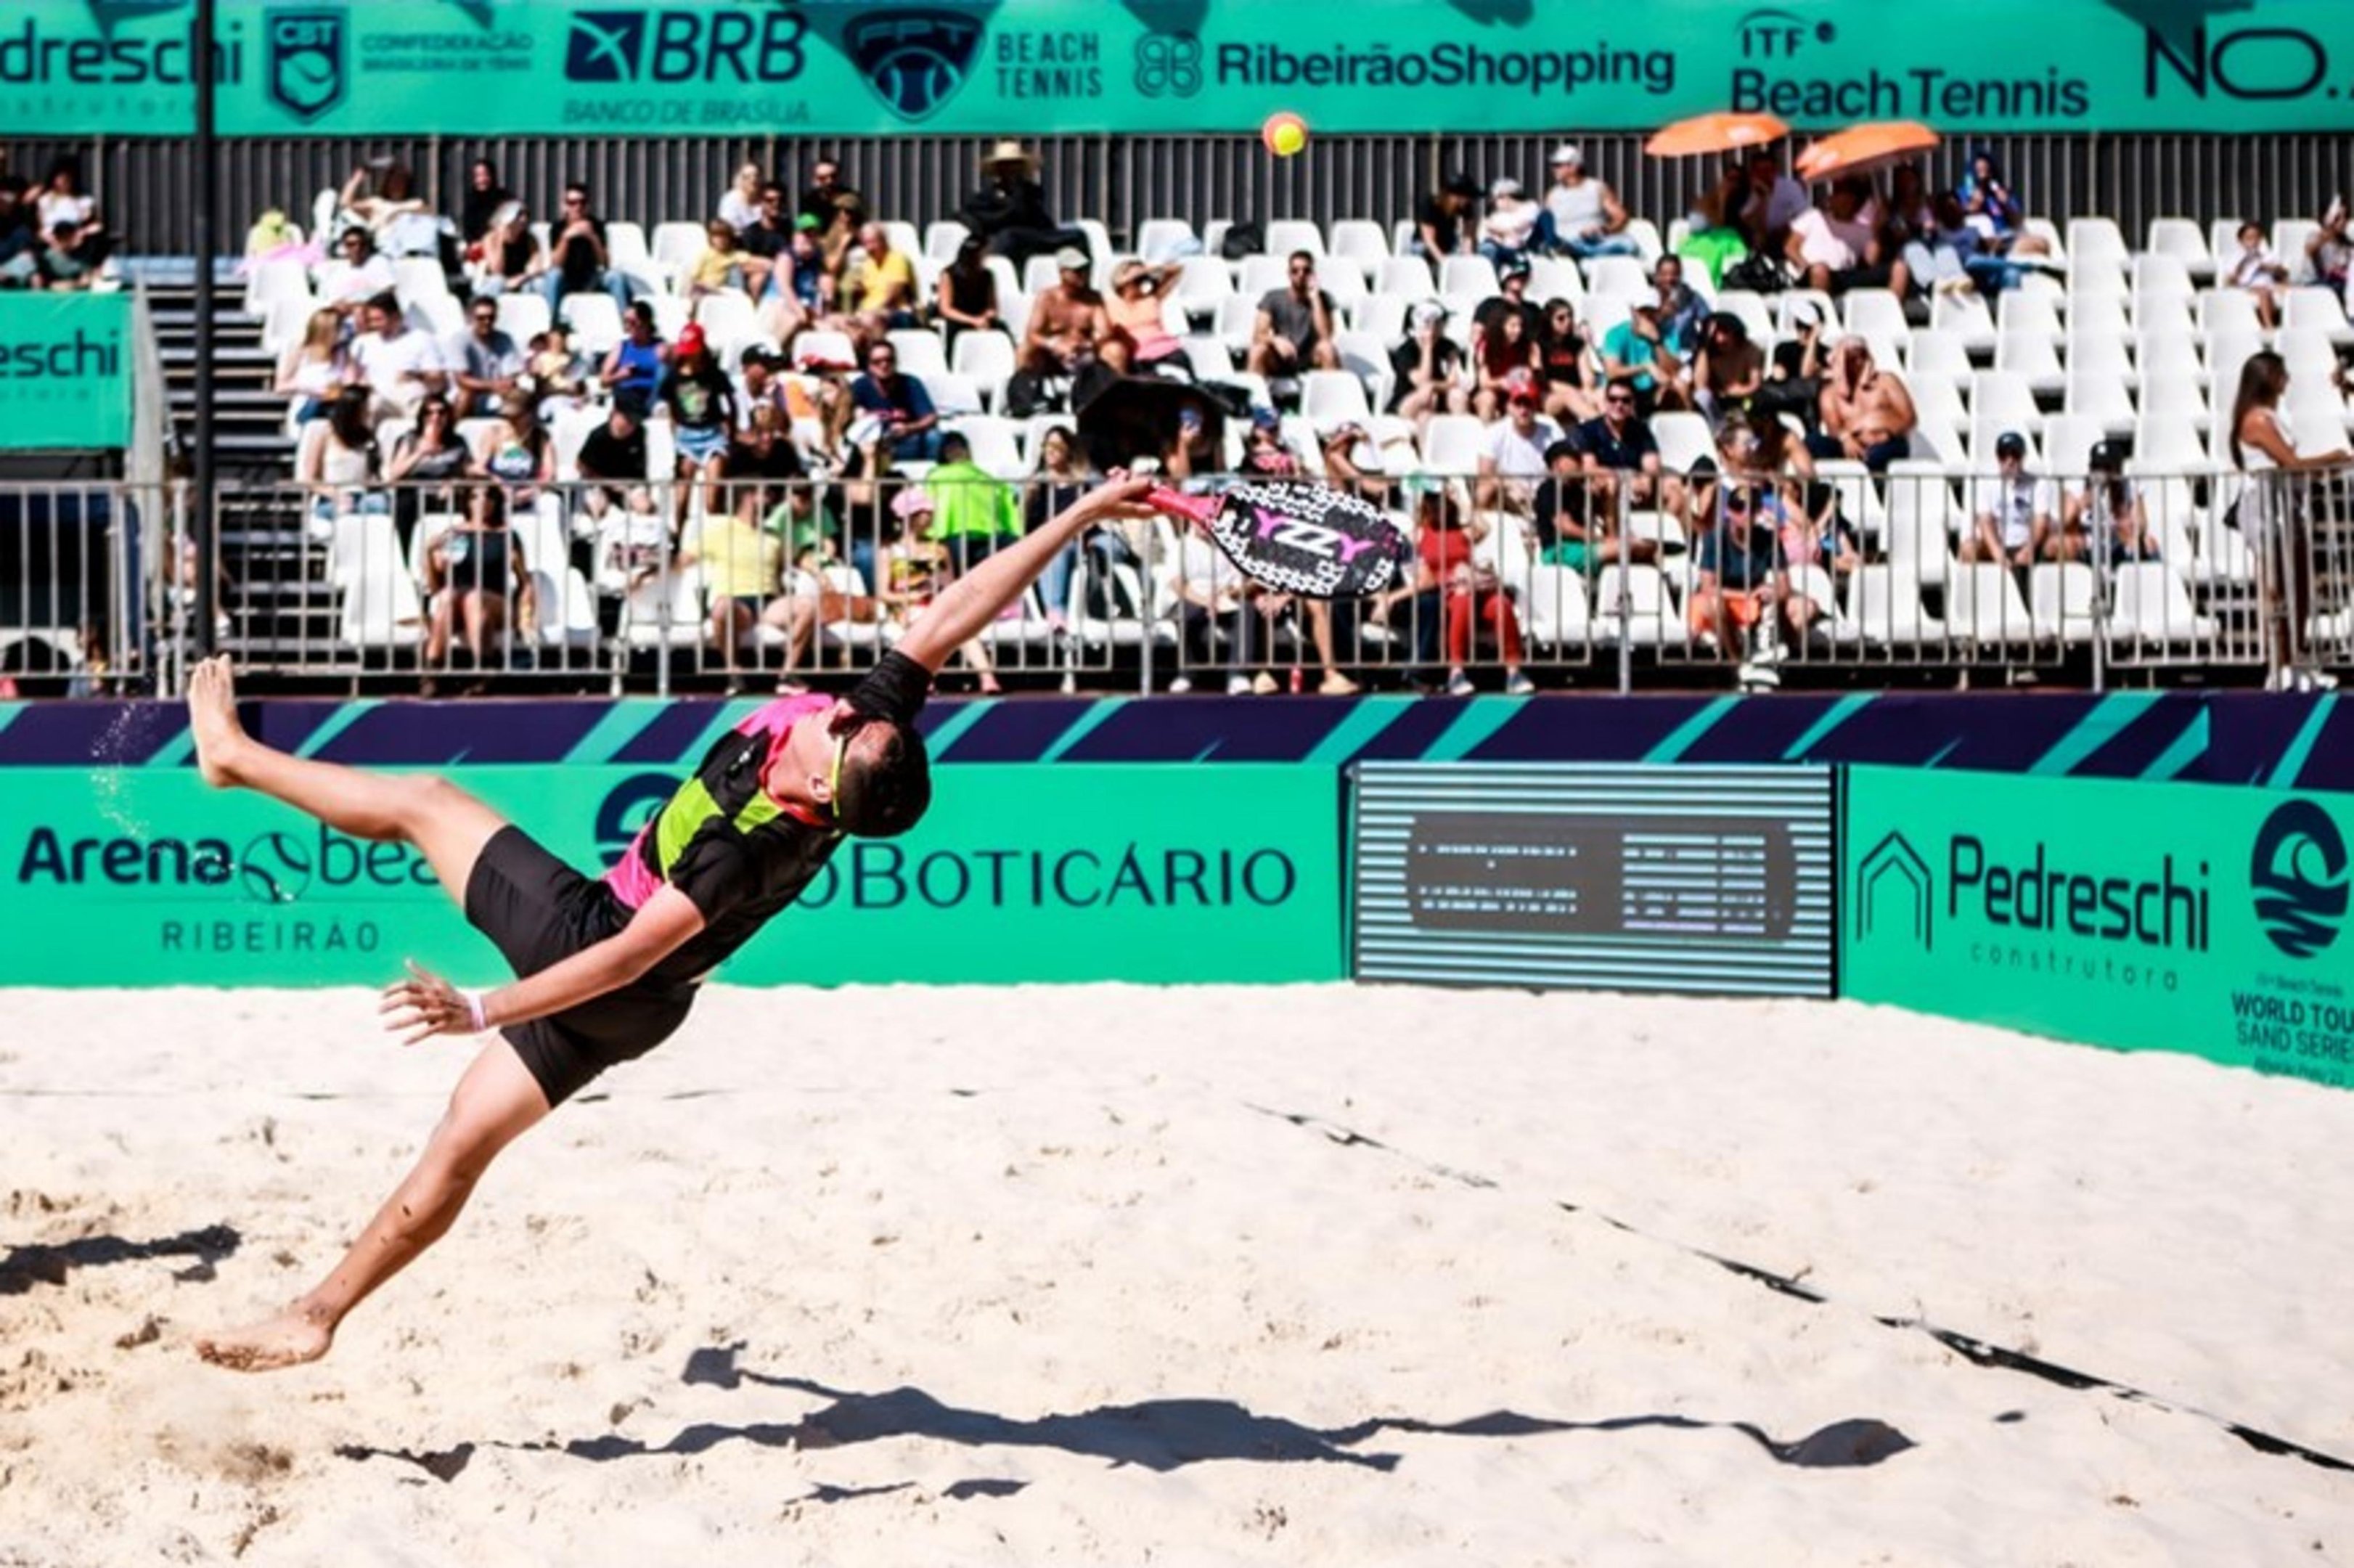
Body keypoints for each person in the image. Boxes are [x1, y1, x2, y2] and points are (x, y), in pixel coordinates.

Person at [184, 473, 1153, 1377]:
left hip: (588, 947)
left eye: (854, 731)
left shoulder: (751, 847)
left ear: (826, 783)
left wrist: (482, 1009)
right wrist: (1081, 516)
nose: (858, 709)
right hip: (642, 1009)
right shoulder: (863, 742)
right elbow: (951, 612)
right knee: (457, 1148)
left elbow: (625, 949)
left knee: (425, 802)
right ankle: (316, 1317)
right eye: (870, 719)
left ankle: (229, 757)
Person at [2230, 351, 2350, 691]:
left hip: (2286, 507)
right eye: (2282, 373)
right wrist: (2336, 458)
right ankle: (2278, 662)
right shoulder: (2256, 420)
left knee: (2300, 585)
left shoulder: (2271, 416)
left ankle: (2295, 659)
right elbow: (2290, 463)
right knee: (2277, 587)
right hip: (2266, 508)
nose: (2287, 379)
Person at [422, 484, 531, 688]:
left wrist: (525, 615)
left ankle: (483, 668)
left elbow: (524, 579)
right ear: (468, 502)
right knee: (448, 597)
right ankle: (433, 671)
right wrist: (429, 554)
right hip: (457, 600)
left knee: (474, 598)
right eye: (475, 497)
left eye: (489, 497)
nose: (482, 502)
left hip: (495, 600)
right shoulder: (456, 535)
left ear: (496, 503)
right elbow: (437, 585)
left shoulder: (506, 535)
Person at [1529, 436, 1656, 575]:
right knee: (1627, 547)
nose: (1579, 463)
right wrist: (1601, 540)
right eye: (1573, 459)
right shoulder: (1549, 488)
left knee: (1644, 551)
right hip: (1560, 551)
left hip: (1584, 548)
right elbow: (1565, 526)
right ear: (1557, 464)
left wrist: (1608, 496)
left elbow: (1607, 521)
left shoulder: (1579, 490)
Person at [957, 141, 1088, 267]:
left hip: (1038, 236)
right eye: (1006, 165)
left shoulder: (1032, 191)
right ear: (998, 169)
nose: (1011, 169)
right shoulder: (987, 196)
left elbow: (1026, 214)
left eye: (1015, 164)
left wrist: (1018, 191)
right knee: (1010, 236)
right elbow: (969, 214)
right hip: (1007, 240)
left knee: (1078, 236)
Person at [661, 323, 738, 519]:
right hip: (686, 437)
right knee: (681, 498)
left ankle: (714, 539)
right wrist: (676, 436)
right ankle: (678, 540)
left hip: (712, 435)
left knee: (713, 499)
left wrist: (730, 436)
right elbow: (671, 409)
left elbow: (730, 406)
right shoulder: (673, 376)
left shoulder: (715, 375)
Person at [1577, 377, 1682, 518]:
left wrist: (1645, 480)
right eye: (1613, 399)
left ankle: (1662, 535)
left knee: (1675, 493)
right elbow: (1589, 467)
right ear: (1605, 402)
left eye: (1625, 400)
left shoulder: (1640, 430)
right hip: (1605, 484)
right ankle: (1612, 537)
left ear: (1633, 403)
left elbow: (1651, 464)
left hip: (1636, 483)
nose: (1619, 405)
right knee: (1610, 485)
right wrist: (1626, 478)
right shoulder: (1589, 430)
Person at [384, 394, 475, 549]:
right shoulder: (410, 439)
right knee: (405, 505)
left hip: (445, 493)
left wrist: (456, 483)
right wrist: (420, 453)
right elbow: (394, 475)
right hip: (414, 493)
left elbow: (468, 470)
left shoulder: (457, 442)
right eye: (429, 412)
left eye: (441, 412)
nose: (435, 417)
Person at [1811, 338, 1916, 473]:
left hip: (1886, 443)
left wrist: (1886, 432)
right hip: (1850, 444)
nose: (1857, 361)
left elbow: (1909, 418)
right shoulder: (1830, 393)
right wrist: (1846, 438)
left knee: (1877, 455)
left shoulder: (1887, 381)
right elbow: (1833, 426)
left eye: (1860, 355)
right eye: (1850, 357)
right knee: (1813, 442)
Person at [1961, 431, 2064, 566]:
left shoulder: (2038, 483)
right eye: (2003, 455)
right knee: (1968, 549)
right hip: (1997, 543)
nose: (2010, 461)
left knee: (2062, 545)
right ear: (1997, 457)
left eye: (2015, 454)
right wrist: (1997, 552)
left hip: (2027, 542)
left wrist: (2029, 549)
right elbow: (1985, 520)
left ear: (2023, 457)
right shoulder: (1985, 483)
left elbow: (2041, 521)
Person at [924, 430, 1022, 573]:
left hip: (986, 536)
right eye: (952, 449)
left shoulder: (985, 477)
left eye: (960, 447)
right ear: (944, 453)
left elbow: (1005, 499)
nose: (957, 452)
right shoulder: (935, 476)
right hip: (952, 537)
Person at [351, 291, 448, 425]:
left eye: (379, 320)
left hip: (410, 396)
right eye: (371, 320)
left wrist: (415, 375)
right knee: (372, 405)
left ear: (396, 317)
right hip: (378, 398)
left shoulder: (421, 339)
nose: (374, 325)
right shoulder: (363, 343)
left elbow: (438, 380)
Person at [541, 181, 634, 316]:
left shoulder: (597, 226)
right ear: (564, 206)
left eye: (582, 202)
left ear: (588, 206)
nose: (577, 207)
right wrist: (566, 238)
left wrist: (592, 237)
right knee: (553, 276)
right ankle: (551, 325)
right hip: (567, 279)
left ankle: (626, 323)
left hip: (592, 278)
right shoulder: (557, 228)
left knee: (616, 277)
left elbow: (604, 263)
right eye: (572, 203)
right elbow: (556, 264)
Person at [1474, 377, 1565, 513]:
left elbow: (1566, 467)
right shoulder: (1494, 433)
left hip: (1545, 494)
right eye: (1518, 404)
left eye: (1528, 404)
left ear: (1536, 406)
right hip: (1509, 495)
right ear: (1509, 406)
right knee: (1484, 491)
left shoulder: (1551, 431)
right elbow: (1485, 477)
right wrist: (1508, 484)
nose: (1523, 410)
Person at [1248, 250, 1340, 381]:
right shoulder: (1273, 298)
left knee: (1327, 349)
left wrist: (1315, 299)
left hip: (1310, 357)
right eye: (1295, 271)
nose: (1300, 275)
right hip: (1280, 356)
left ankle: (1330, 398)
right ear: (1289, 273)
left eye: (1306, 271)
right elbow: (1257, 335)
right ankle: (1251, 397)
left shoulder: (1323, 298)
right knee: (1258, 350)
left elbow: (1325, 336)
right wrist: (1276, 340)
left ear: (1313, 274)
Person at [847, 338, 941, 465]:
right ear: (869, 365)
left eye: (889, 360)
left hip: (909, 439)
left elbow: (931, 417)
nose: (884, 365)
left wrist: (909, 428)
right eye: (877, 362)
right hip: (876, 444)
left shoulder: (910, 383)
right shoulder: (860, 386)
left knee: (934, 437)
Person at [1018, 246, 1106, 380]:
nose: (1083, 275)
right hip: (1052, 354)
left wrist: (1085, 345)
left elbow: (1104, 332)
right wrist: (1054, 344)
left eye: (1085, 270)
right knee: (1025, 350)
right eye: (1077, 271)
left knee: (1114, 350)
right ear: (1063, 273)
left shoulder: (1093, 299)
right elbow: (1032, 334)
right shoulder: (1047, 298)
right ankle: (1025, 395)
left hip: (1084, 352)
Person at [1537, 144, 1636, 259]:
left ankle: (1577, 252)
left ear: (1573, 167)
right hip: (1564, 240)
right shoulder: (1553, 194)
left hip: (1592, 241)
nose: (1554, 170)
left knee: (1628, 244)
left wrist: (1603, 230)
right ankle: (1573, 250)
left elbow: (1621, 217)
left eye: (1558, 166)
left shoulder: (1597, 188)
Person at [1389, 299, 1469, 433]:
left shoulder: (1449, 347)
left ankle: (1462, 437)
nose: (1443, 325)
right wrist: (1427, 347)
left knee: (1458, 396)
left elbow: (1455, 381)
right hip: (1408, 401)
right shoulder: (1406, 351)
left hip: (1438, 398)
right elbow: (1422, 382)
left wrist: (1434, 386)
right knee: (1427, 398)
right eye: (1438, 322)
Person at [1597, 301, 1684, 415]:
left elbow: (1673, 371)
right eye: (1645, 314)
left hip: (1654, 389)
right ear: (1634, 314)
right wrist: (1646, 367)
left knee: (1680, 386)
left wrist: (1656, 342)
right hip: (1625, 387)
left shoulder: (1667, 334)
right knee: (1623, 395)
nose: (1650, 319)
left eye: (1653, 314)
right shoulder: (1616, 334)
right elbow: (1612, 372)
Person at [838, 222, 920, 343]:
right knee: (836, 321)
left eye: (872, 242)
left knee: (869, 319)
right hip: (868, 313)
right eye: (865, 243)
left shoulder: (898, 259)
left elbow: (892, 296)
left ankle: (875, 353)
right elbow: (849, 290)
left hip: (898, 312)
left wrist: (864, 314)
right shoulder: (867, 263)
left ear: (884, 241)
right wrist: (855, 290)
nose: (868, 248)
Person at [1100, 258, 1185, 374]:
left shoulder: (1152, 298)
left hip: (1170, 352)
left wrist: (1148, 270)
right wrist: (1132, 275)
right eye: (1138, 279)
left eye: (1144, 278)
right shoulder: (1109, 306)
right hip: (1139, 360)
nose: (1142, 282)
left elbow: (1177, 270)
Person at [274, 306, 353, 427]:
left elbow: (350, 382)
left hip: (334, 407)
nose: (344, 331)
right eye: (339, 328)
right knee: (317, 405)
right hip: (307, 407)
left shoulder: (343, 355)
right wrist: (312, 390)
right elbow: (280, 387)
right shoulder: (300, 352)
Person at [447, 296, 525, 418]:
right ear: (470, 318)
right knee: (465, 395)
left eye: (491, 318)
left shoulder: (505, 339)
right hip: (468, 395)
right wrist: (494, 385)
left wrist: (504, 385)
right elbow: (461, 379)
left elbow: (511, 374)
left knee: (522, 396)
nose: (487, 322)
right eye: (481, 318)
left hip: (498, 393)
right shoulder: (459, 340)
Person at [1469, 297, 1541, 422]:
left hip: (1518, 392)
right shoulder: (1486, 347)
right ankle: (1488, 438)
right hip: (1493, 390)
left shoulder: (1528, 347)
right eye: (1513, 326)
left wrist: (1532, 373)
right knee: (1488, 398)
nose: (1518, 331)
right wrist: (1503, 383)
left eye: (1520, 326)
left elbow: (1536, 373)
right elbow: (1484, 382)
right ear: (1501, 326)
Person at [1532, 298, 1599, 425]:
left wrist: (1587, 391)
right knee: (1569, 397)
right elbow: (1542, 381)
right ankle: (1605, 429)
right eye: (1561, 318)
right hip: (1548, 397)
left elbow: (1587, 378)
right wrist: (1570, 390)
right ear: (1549, 321)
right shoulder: (1538, 345)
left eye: (1570, 317)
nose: (1567, 322)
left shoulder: (1577, 345)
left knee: (1601, 395)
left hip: (1577, 393)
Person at [931, 232, 1002, 350]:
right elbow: (945, 309)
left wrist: (987, 316)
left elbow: (992, 306)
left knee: (1000, 329)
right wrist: (973, 321)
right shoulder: (949, 274)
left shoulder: (988, 276)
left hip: (980, 317)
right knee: (954, 328)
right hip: (959, 319)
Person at [1690, 311, 1765, 422]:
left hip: (1743, 402)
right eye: (1715, 334)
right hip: (1716, 404)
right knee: (1702, 396)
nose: (1720, 339)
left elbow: (1755, 384)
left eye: (1724, 333)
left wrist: (1740, 390)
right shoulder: (1707, 354)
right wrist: (1704, 346)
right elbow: (1700, 385)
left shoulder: (1751, 350)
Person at [599, 300, 667, 416]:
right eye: (625, 322)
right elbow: (604, 380)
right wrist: (620, 376)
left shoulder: (660, 347)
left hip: (653, 397)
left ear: (645, 322)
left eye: (632, 322)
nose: (627, 327)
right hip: (628, 395)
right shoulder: (622, 347)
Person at [2226, 221, 2290, 331]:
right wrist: (2240, 268)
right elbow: (2229, 282)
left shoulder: (2268, 255)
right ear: (2241, 241)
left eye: (2256, 238)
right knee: (2264, 293)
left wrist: (2270, 268)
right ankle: (2269, 326)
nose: (2254, 241)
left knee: (2294, 291)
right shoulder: (2235, 258)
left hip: (2270, 285)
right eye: (2249, 238)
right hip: (2248, 287)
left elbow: (2284, 274)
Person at [1413, 172, 1482, 270]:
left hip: (1448, 243)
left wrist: (1468, 259)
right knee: (1421, 252)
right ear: (1453, 196)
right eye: (1465, 197)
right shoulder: (1429, 205)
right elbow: (1429, 241)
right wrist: (1444, 263)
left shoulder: (1466, 207)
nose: (1468, 201)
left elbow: (1468, 237)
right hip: (1423, 245)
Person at [686, 217, 766, 301]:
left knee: (736, 272)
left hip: (720, 290)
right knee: (696, 294)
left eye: (725, 237)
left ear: (730, 239)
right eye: (717, 237)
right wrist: (703, 285)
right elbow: (694, 277)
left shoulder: (733, 255)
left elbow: (751, 259)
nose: (721, 240)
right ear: (711, 239)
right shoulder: (706, 254)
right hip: (704, 287)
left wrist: (774, 265)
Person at [1478, 177, 1541, 269]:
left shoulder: (1530, 207)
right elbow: (1485, 236)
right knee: (1488, 249)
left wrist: (1497, 230)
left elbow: (1519, 230)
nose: (1494, 204)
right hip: (1497, 250)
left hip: (1521, 251)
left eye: (1496, 199)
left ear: (1506, 197)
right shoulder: (1496, 216)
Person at [459, 158, 512, 248]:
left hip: (500, 245)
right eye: (478, 176)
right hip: (478, 247)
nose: (482, 180)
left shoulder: (504, 197)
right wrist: (474, 243)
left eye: (485, 175)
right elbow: (468, 229)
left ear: (492, 176)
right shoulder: (471, 199)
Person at [2306, 197, 2350, 304]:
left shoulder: (2347, 243)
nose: (2343, 221)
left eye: (2346, 217)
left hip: (2339, 282)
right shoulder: (2316, 237)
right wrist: (2328, 231)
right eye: (2338, 218)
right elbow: (2309, 250)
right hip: (2317, 284)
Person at [717, 162, 764, 234]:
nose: (753, 180)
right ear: (740, 180)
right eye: (747, 177)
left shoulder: (766, 199)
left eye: (756, 176)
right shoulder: (731, 200)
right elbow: (729, 228)